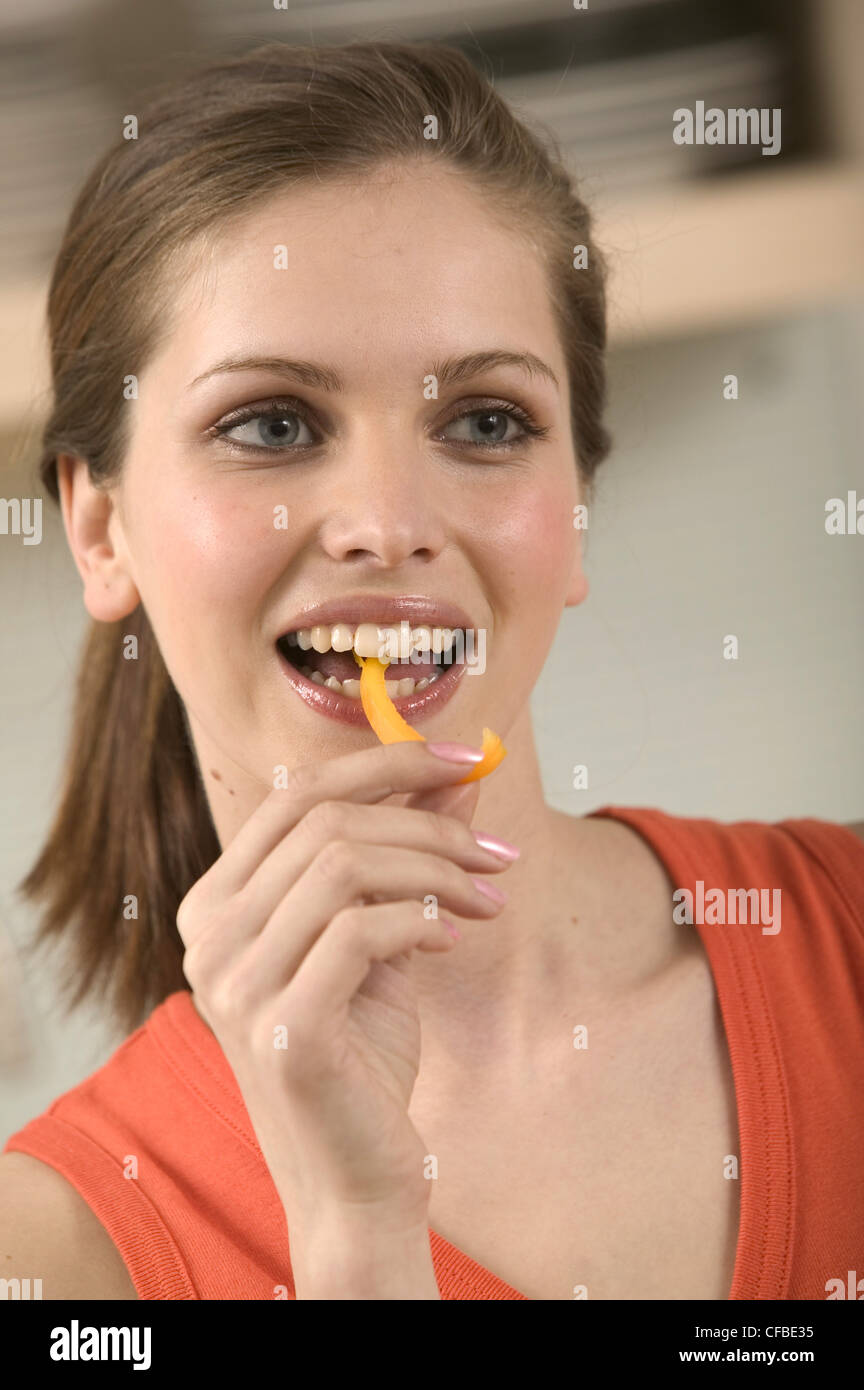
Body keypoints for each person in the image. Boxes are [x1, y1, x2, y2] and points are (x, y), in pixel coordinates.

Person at [2, 40, 862, 1302]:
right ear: (100, 525)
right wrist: (357, 1235)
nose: (388, 520)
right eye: (273, 424)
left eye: (484, 421)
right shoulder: (54, 1261)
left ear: (574, 505)